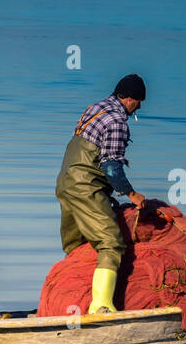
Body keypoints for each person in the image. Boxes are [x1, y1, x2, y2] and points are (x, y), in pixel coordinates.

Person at [55, 74, 147, 314]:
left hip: (66, 183)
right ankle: (101, 306)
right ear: (129, 99)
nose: (139, 106)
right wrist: (131, 194)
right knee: (110, 243)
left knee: (76, 246)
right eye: (139, 101)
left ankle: (70, 300)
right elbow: (110, 166)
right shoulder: (117, 121)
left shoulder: (95, 108)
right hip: (86, 186)